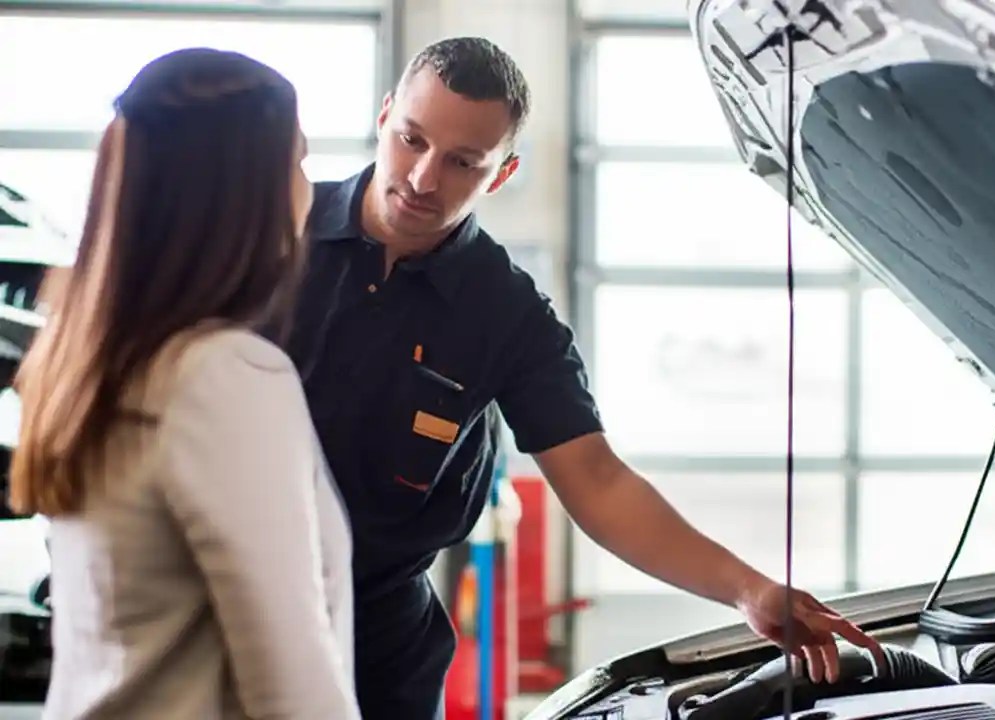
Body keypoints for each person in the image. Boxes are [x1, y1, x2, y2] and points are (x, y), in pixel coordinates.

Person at [289, 36, 883, 719]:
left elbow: (598, 482)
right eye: (411, 139)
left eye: (462, 163)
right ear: (385, 114)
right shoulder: (269, 233)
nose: (424, 179)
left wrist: (748, 588)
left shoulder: (505, 312)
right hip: (215, 605)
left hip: (378, 644)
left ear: (501, 174)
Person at [7, 48, 361, 719]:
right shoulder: (224, 378)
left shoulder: (86, 364)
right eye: (298, 162)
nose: (309, 190)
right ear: (240, 193)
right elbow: (291, 686)